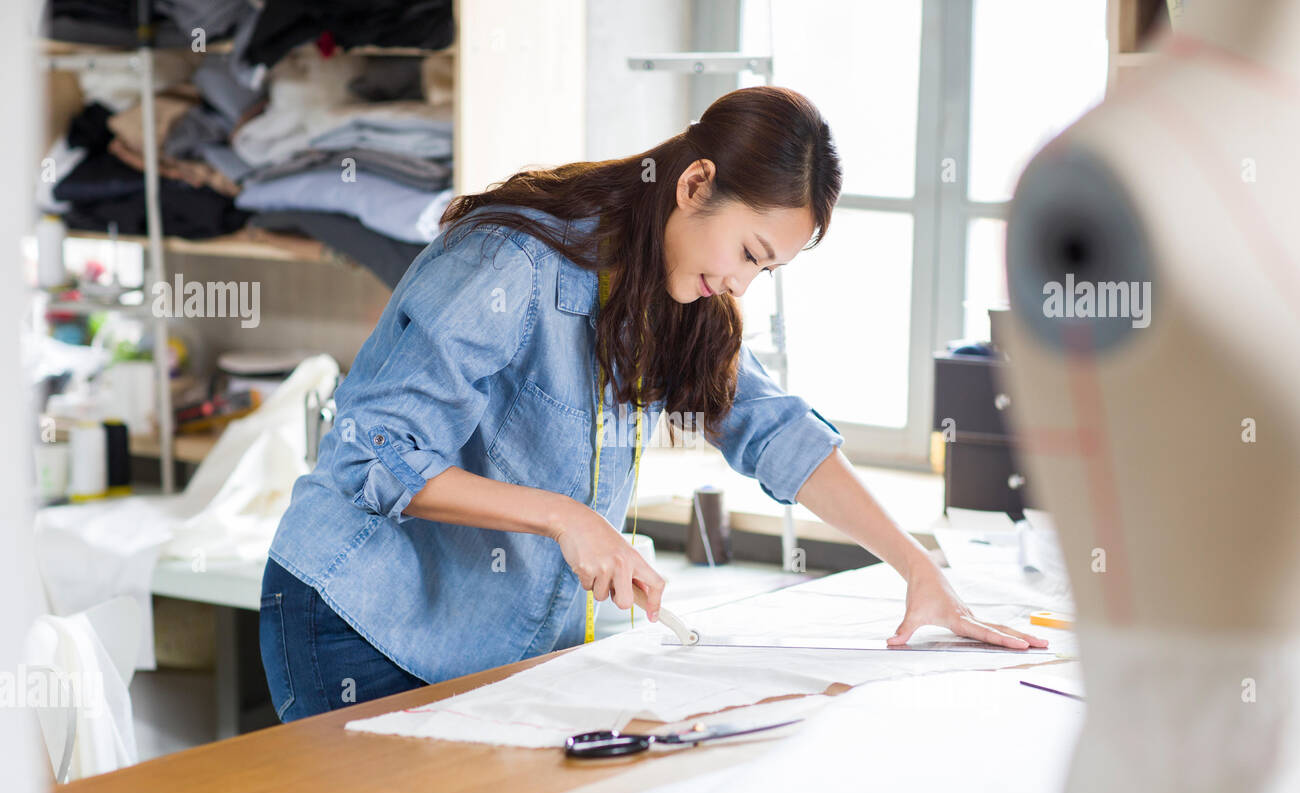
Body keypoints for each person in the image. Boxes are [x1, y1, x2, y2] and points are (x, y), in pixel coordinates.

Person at [259, 86, 1045, 723]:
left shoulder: (682, 299)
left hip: (493, 648)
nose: (742, 283)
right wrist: (568, 516)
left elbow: (775, 431)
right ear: (695, 183)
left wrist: (916, 567)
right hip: (358, 619)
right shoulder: (512, 261)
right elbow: (373, 453)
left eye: (764, 271)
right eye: (748, 253)